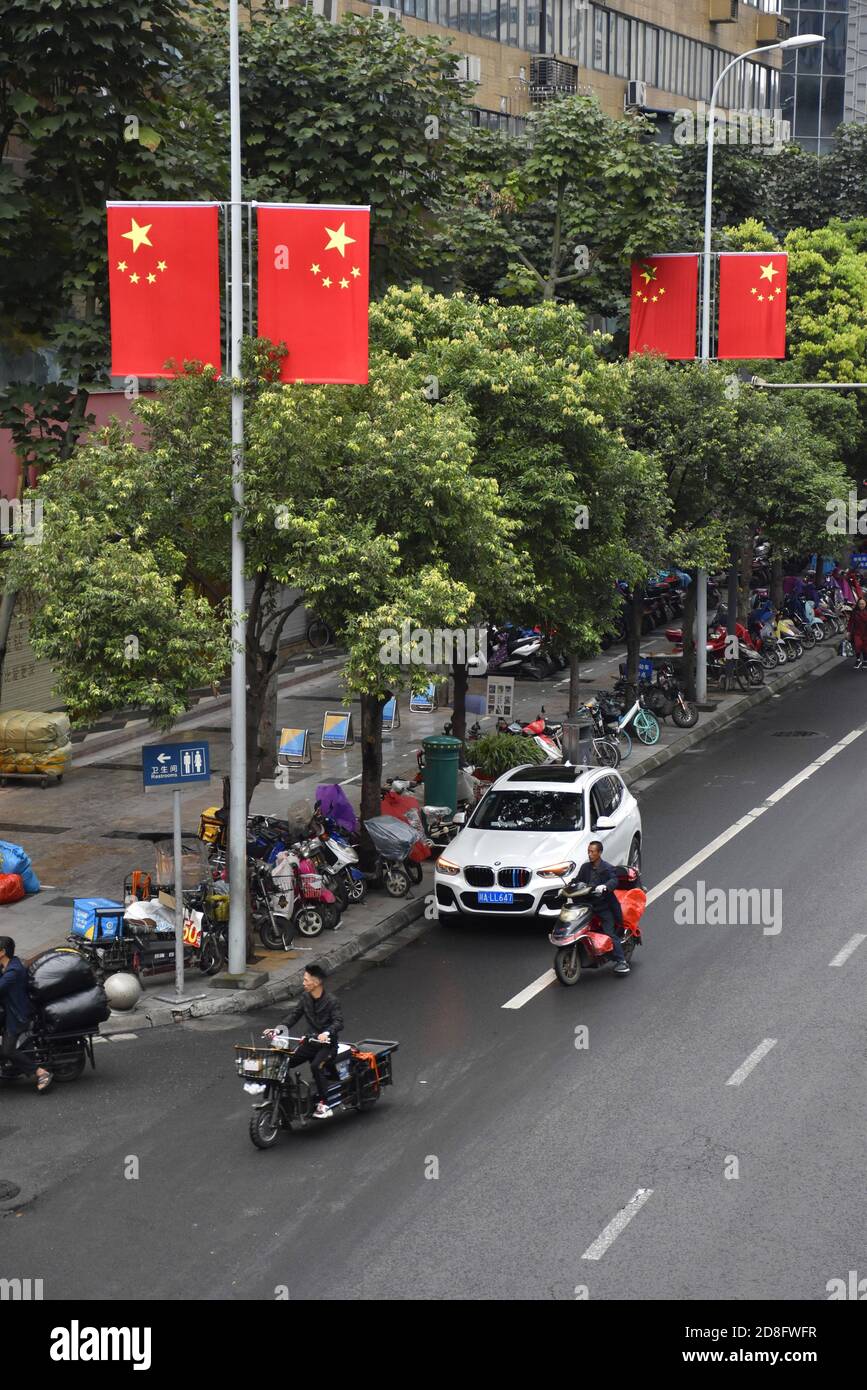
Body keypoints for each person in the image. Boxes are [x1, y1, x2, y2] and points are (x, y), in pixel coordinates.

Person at [266, 965, 344, 1118]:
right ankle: (287, 1096)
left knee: (316, 1066)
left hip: (327, 1047)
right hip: (310, 1043)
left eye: (306, 980)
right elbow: (294, 1015)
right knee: (284, 1062)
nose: (303, 983)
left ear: (315, 983)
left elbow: (339, 1022)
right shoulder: (305, 998)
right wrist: (277, 1030)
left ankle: (325, 1104)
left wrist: (327, 1033)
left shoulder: (332, 1001)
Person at [0, 937, 52, 1092]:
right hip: (7, 1011)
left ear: (2, 952)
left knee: (8, 1050)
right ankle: (10, 1066)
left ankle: (40, 1072)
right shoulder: (6, 965)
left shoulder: (13, 972)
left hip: (17, 1016)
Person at [574, 842, 630, 976]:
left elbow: (614, 880)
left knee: (609, 932)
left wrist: (605, 886)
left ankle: (621, 961)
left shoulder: (607, 868)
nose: (590, 854)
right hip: (586, 906)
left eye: (593, 852)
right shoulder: (585, 868)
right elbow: (577, 880)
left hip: (603, 906)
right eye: (588, 851)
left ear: (599, 853)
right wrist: (569, 886)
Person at [848, 597, 867, 669]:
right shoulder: (854, 612)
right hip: (857, 632)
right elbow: (850, 622)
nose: (861, 605)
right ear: (858, 604)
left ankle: (865, 661)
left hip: (865, 632)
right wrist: (848, 631)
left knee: (865, 647)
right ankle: (858, 660)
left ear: (865, 604)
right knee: (857, 646)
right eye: (860, 604)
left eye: (863, 604)